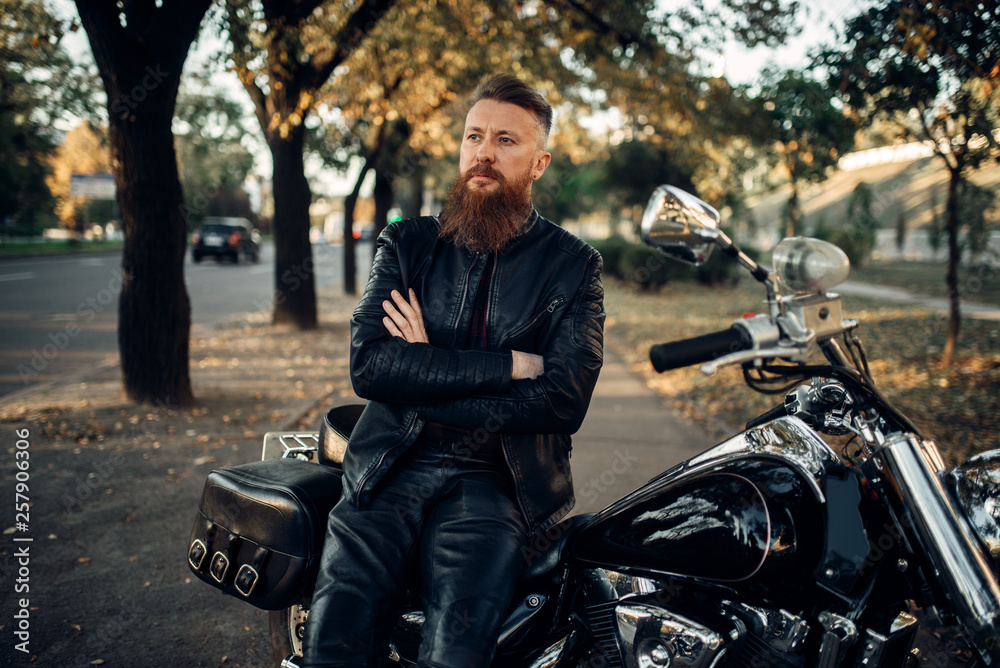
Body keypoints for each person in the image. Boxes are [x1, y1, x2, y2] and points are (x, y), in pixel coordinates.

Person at [303, 73, 605, 668]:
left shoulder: (573, 267)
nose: (484, 153)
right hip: (390, 462)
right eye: (474, 136)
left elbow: (562, 402)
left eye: (506, 141)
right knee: (335, 636)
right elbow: (370, 366)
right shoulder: (407, 243)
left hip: (493, 479)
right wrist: (507, 366)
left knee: (460, 651)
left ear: (539, 163)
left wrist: (422, 370)